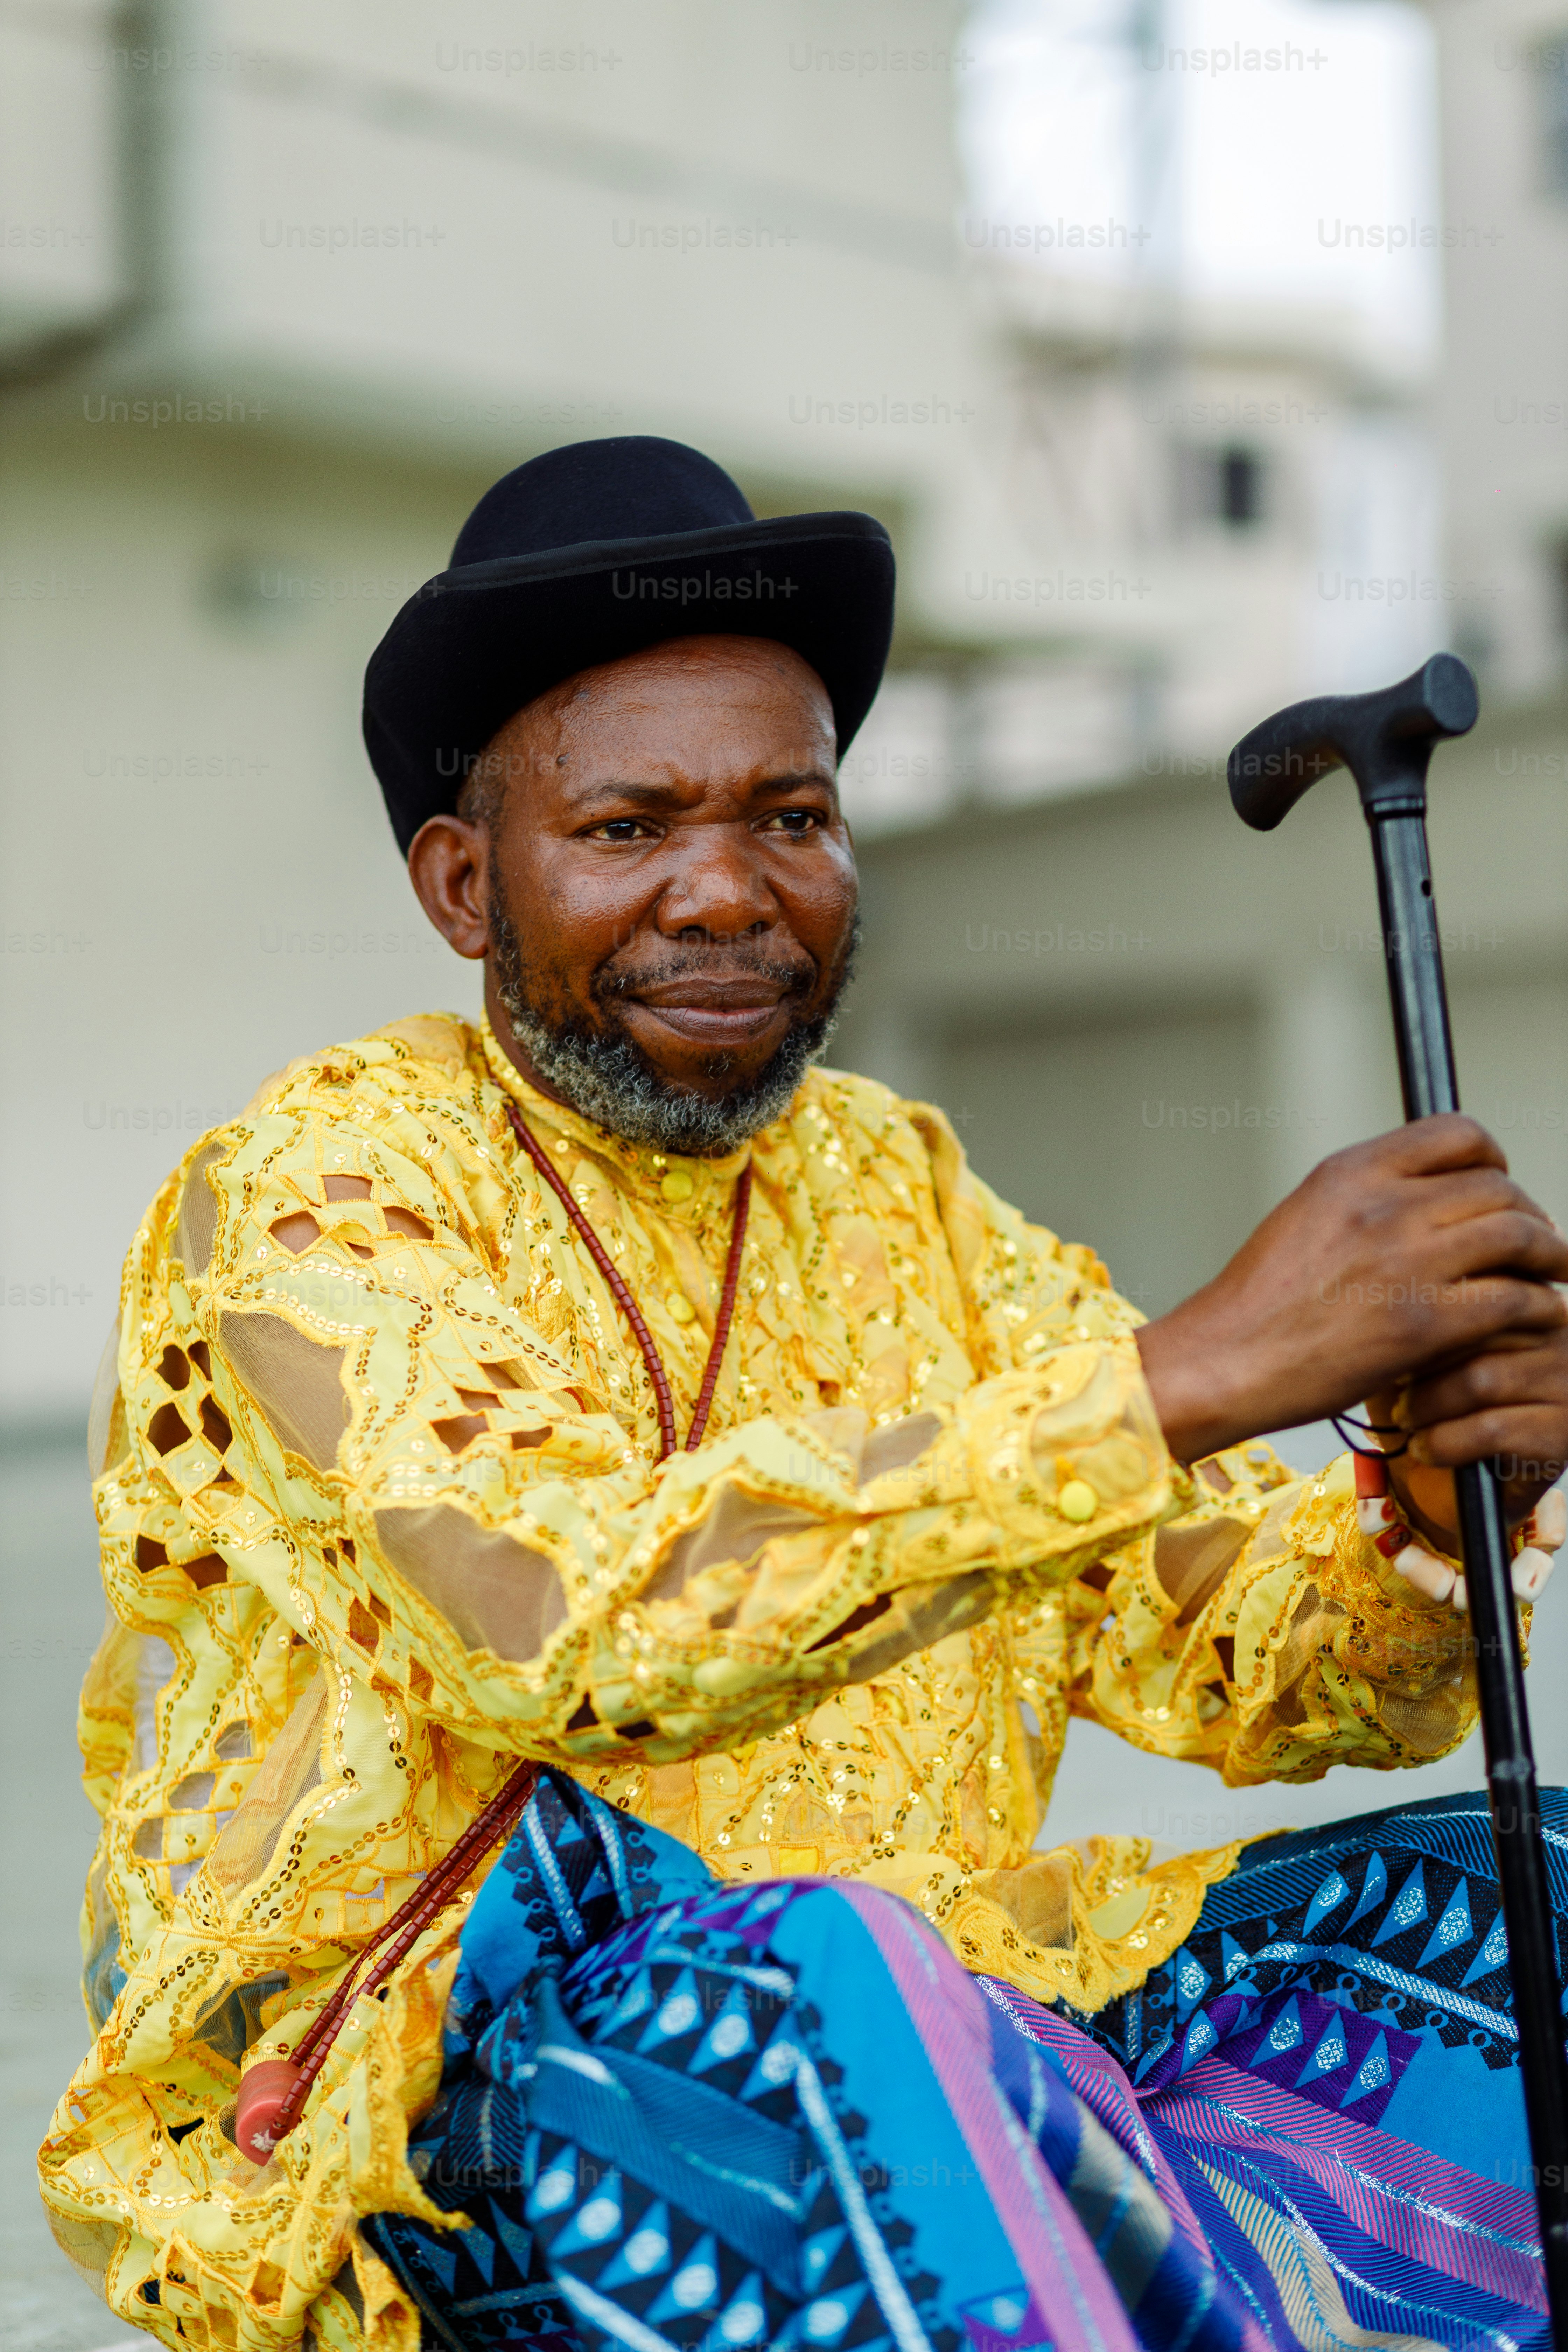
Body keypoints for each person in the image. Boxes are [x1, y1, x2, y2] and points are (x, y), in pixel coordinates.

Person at [40, 437, 1568, 2352]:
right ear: (461, 883)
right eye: (626, 831)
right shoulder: (320, 1184)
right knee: (819, 1996)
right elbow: (562, 1621)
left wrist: (1434, 1500)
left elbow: (1237, 1664)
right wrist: (1189, 1374)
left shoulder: (904, 1189)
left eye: (792, 816)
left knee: (1534, 1904)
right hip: (459, 2097)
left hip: (950, 2005)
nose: (729, 892)